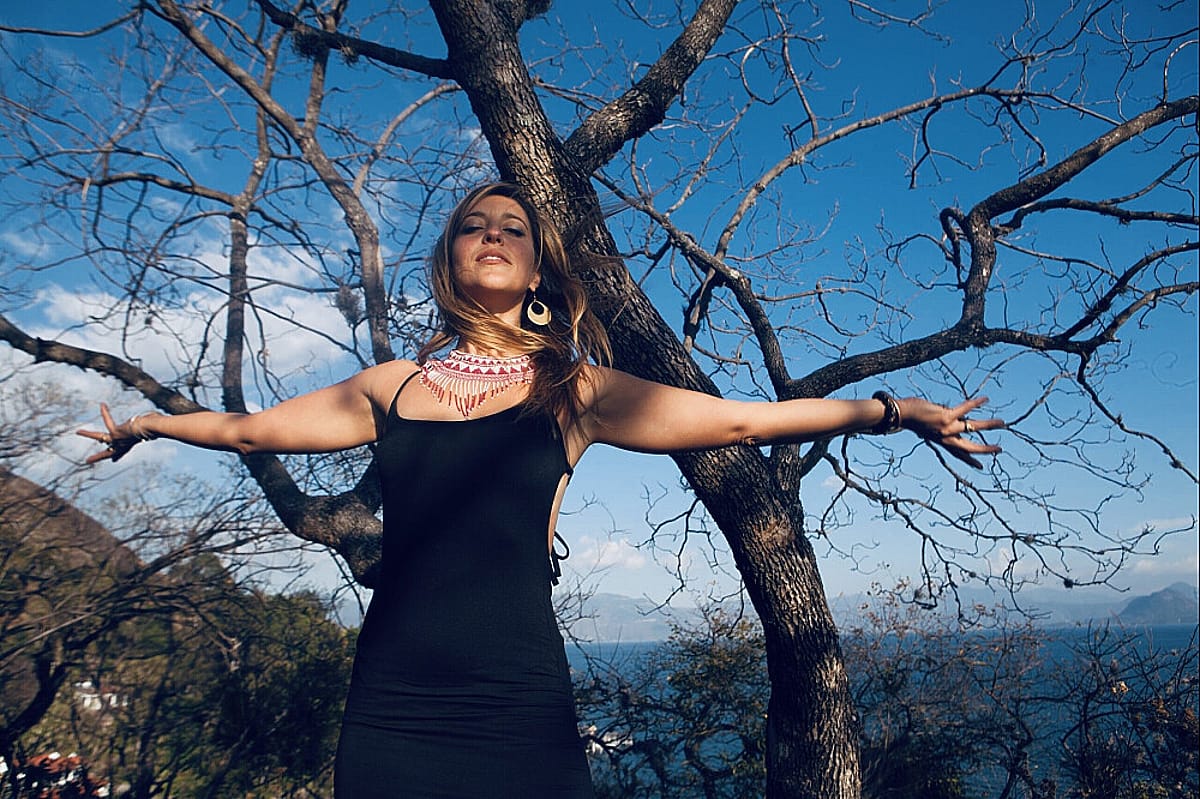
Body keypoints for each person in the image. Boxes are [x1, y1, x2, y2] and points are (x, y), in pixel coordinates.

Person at [80, 181, 1004, 798]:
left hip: (516, 701)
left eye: (512, 229)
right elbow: (248, 428)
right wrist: (150, 425)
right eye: (474, 226)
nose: (491, 234)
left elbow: (742, 422)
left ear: (535, 272)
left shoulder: (577, 387)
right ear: (451, 263)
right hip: (392, 704)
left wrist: (891, 409)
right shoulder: (388, 385)